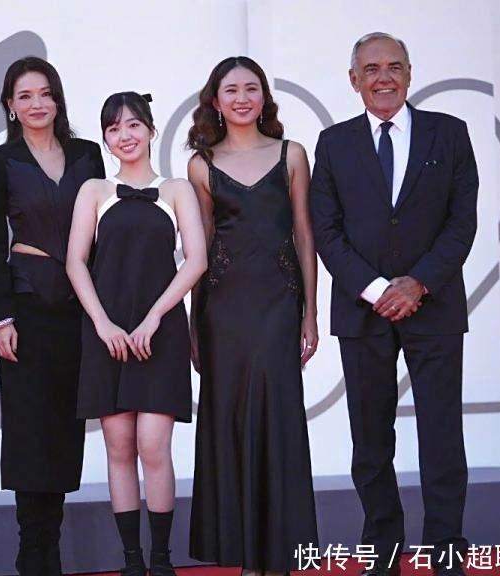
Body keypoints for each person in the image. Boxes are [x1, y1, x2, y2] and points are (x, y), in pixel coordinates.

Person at [310, 32, 479, 576]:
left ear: (409, 73)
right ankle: (382, 551)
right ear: (353, 79)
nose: (384, 78)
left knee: (442, 436)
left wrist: (418, 284)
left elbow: (462, 222)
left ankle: (446, 551)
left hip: (435, 307)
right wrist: (376, 288)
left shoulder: (449, 133)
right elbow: (325, 229)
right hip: (363, 312)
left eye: (394, 67)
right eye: (371, 69)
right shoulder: (333, 144)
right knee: (370, 440)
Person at [186, 56, 319, 576]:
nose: (242, 98)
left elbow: (304, 234)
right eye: (231, 90)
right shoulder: (201, 165)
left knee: (278, 418)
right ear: (215, 101)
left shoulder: (292, 154)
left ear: (264, 96)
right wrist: (194, 324)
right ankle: (245, 557)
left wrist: (310, 312)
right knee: (231, 419)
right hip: (222, 309)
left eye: (251, 88)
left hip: (279, 301)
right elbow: (201, 248)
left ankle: (279, 555)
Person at [66, 92, 207, 576]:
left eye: (132, 125)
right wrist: (102, 323)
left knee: (153, 445)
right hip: (107, 333)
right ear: (105, 138)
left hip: (159, 332)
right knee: (118, 445)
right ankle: (132, 561)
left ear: (150, 129)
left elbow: (196, 260)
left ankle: (162, 560)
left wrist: (155, 317)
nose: (124, 136)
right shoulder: (94, 191)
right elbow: (75, 262)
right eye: (113, 128)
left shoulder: (176, 190)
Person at [0, 56, 105, 576]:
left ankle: (47, 547)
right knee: (30, 434)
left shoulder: (87, 154)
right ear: (10, 104)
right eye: (25, 95)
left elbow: (105, 228)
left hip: (80, 308)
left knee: (66, 431)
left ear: (58, 99)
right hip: (26, 310)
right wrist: (1, 317)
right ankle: (34, 557)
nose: (37, 104)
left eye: (45, 93)